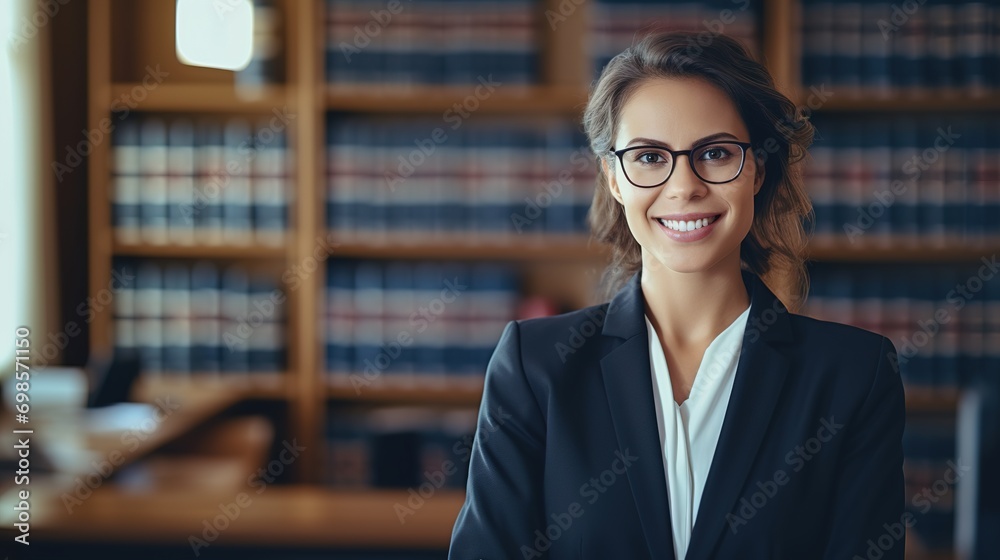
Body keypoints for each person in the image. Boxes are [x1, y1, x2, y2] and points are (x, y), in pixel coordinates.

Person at [448, 31, 905, 560]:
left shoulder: (855, 376)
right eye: (648, 157)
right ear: (614, 179)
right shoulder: (535, 368)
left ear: (756, 168)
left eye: (714, 153)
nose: (683, 186)